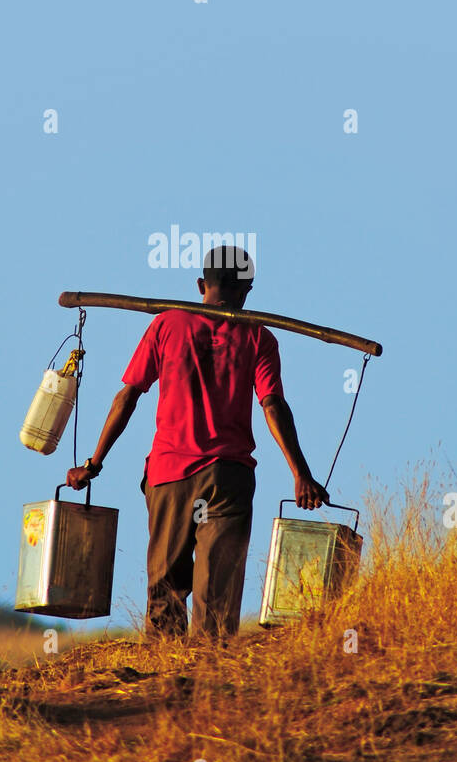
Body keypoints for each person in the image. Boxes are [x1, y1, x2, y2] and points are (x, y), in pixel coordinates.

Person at [66, 246, 329, 641]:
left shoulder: (167, 325)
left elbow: (129, 395)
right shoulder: (258, 336)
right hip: (228, 479)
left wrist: (94, 462)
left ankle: (165, 676)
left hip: (169, 476)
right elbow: (272, 404)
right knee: (218, 592)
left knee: (166, 585)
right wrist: (301, 473)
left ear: (201, 285)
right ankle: (210, 676)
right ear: (247, 289)